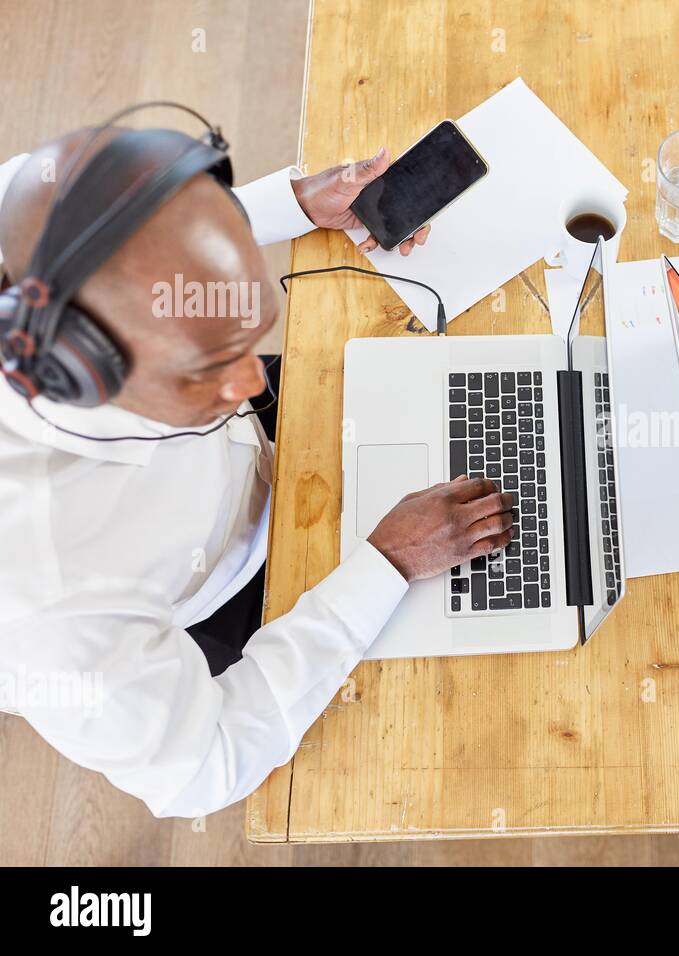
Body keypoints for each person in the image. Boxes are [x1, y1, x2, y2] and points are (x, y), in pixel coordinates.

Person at [0, 129, 512, 817]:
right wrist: (386, 564)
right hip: (232, 588)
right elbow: (206, 767)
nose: (254, 381)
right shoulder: (47, 612)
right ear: (87, 387)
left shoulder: (32, 216)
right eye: (206, 375)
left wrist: (292, 205)